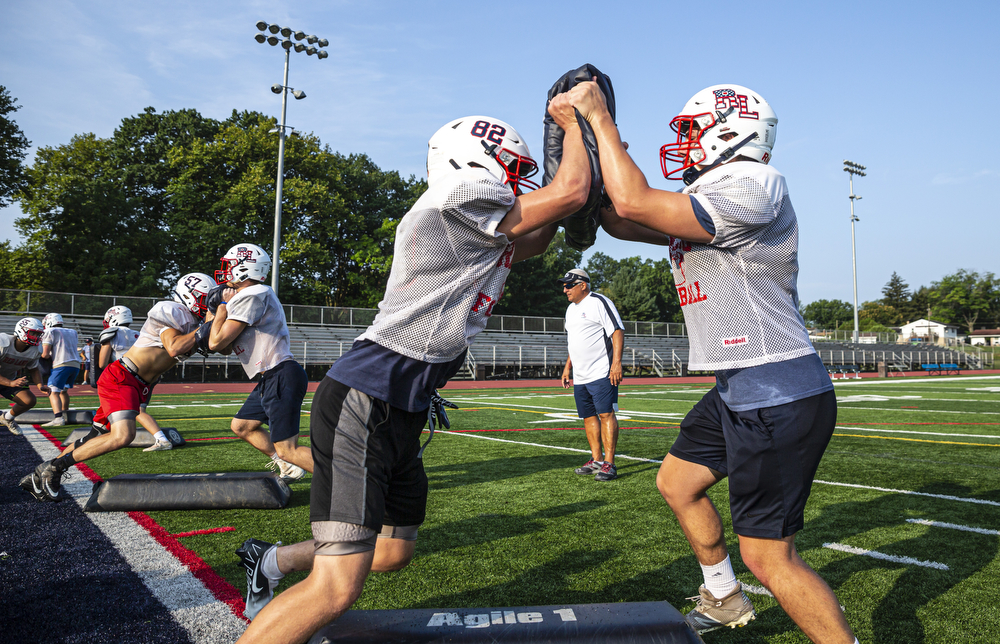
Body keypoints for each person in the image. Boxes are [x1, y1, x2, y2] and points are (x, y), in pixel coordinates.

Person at [233, 108, 591, 643]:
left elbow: (536, 237)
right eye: (512, 167)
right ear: (476, 159)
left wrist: (573, 190)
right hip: (369, 395)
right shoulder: (461, 192)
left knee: (392, 551)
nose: (519, 181)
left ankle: (274, 561)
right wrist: (580, 126)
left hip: (403, 401)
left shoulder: (474, 217)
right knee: (335, 588)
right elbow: (568, 194)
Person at [559, 83, 857, 643]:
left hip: (777, 390)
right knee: (677, 483)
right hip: (736, 389)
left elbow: (637, 203)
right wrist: (584, 185)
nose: (685, 145)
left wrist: (601, 122)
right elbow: (624, 218)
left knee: (770, 557)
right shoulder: (713, 191)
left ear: (729, 130)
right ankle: (723, 596)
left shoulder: (755, 182)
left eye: (692, 132)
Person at [20, 274, 215, 502]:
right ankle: (54, 469)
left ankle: (42, 472)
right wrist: (209, 325)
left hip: (139, 382)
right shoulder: (172, 309)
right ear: (189, 295)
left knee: (96, 435)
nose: (206, 304)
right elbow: (174, 347)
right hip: (123, 376)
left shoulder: (194, 322)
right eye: (203, 299)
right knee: (124, 436)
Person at [205, 243, 310, 482]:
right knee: (242, 426)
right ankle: (288, 466)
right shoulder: (251, 295)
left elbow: (215, 343)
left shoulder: (254, 294)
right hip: (271, 376)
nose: (226, 271)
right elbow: (225, 349)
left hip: (280, 373)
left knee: (288, 448)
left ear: (244, 268)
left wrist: (220, 310)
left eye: (230, 265)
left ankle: (350, 483)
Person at [558, 268, 624, 482]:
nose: (565, 289)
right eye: (564, 285)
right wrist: (568, 367)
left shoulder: (598, 302)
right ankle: (596, 460)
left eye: (569, 285)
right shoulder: (570, 310)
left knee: (606, 414)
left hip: (601, 372)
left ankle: (609, 464)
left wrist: (616, 364)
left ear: (583, 285)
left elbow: (617, 330)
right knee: (588, 417)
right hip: (581, 376)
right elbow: (574, 341)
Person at [99, 305, 173, 452]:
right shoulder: (138, 333)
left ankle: (161, 439)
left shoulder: (112, 332)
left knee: (138, 410)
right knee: (136, 409)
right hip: (148, 376)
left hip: (126, 377)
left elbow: (102, 362)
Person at [0, 318, 50, 435]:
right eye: (33, 333)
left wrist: (40, 386)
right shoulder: (3, 342)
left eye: (38, 334)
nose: (36, 337)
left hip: (9, 379)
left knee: (29, 401)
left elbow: (34, 368)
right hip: (8, 381)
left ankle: (6, 418)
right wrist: (10, 383)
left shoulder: (35, 350)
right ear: (21, 330)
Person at [39, 313, 80, 427]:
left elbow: (46, 354)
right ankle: (65, 413)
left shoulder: (49, 331)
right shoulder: (73, 332)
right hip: (76, 364)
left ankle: (58, 418)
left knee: (52, 391)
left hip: (61, 363)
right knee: (63, 391)